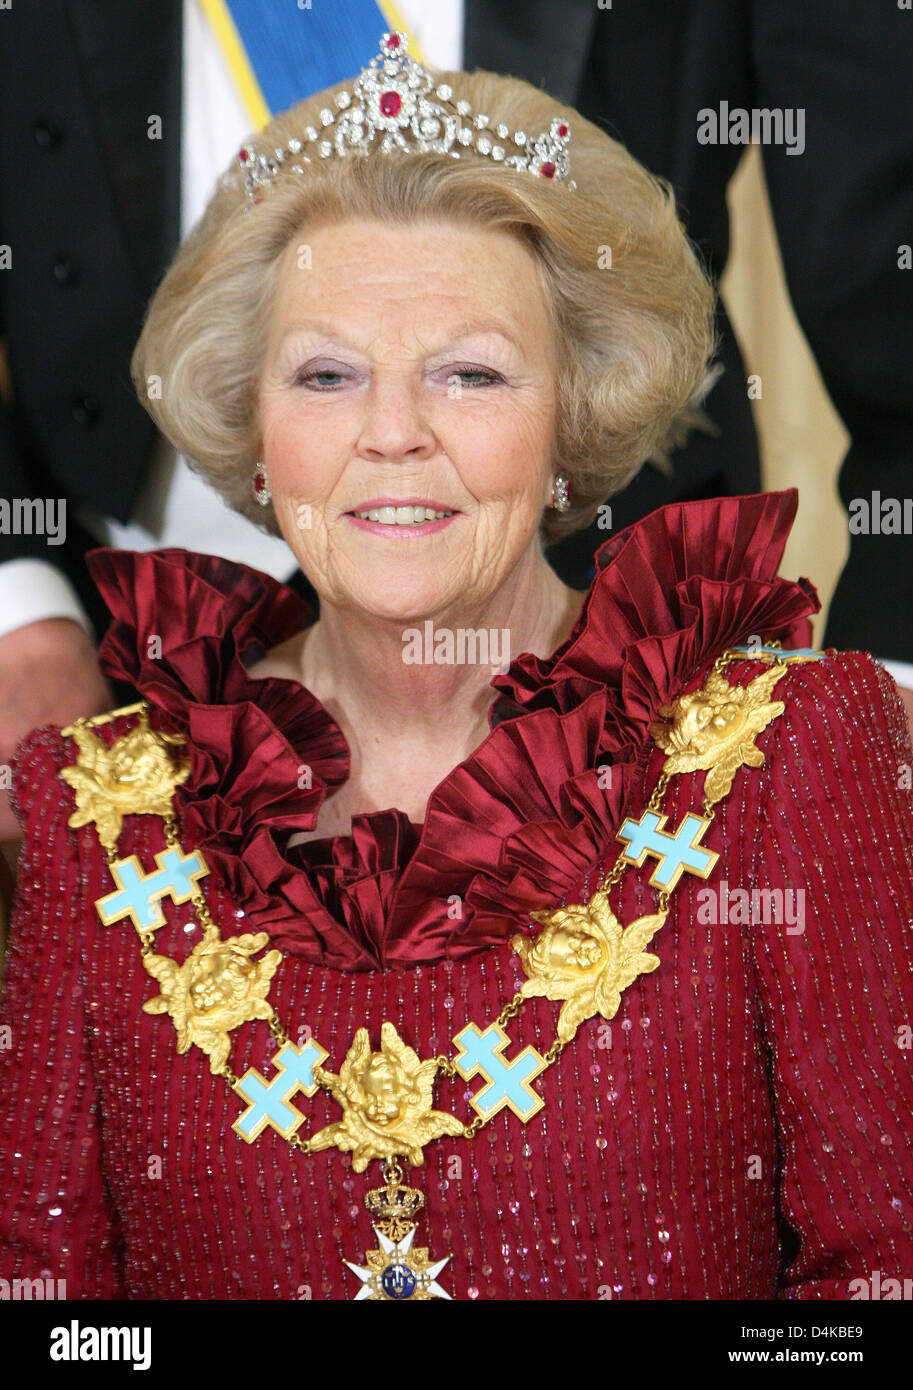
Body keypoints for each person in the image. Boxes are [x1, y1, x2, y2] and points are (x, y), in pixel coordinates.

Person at [1, 33, 911, 1302]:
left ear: (572, 426)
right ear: (256, 434)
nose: (389, 434)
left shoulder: (786, 757)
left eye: (468, 373)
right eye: (325, 374)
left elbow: (881, 1280)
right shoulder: (93, 814)